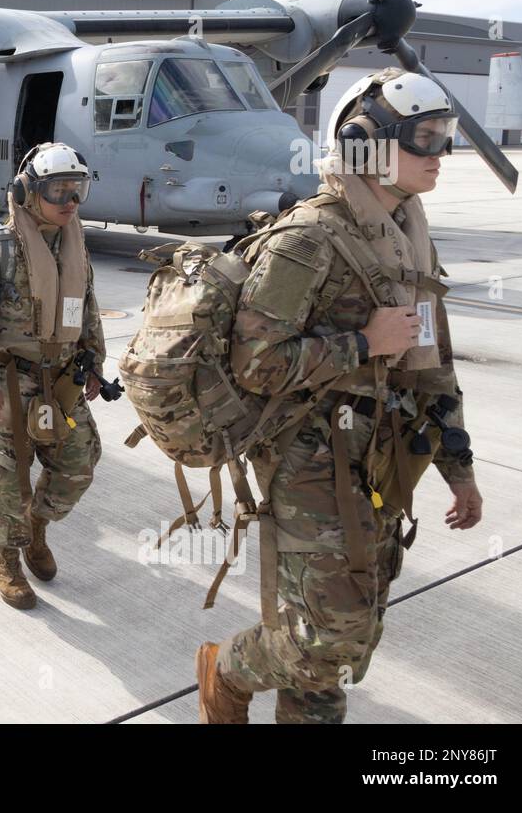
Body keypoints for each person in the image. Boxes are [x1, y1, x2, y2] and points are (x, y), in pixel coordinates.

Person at [195, 67, 484, 724]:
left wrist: (459, 470)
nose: (442, 156)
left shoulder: (408, 236)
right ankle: (229, 669)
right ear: (364, 145)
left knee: (355, 615)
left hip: (381, 454)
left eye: (446, 138)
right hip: (309, 458)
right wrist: (361, 344)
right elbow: (256, 364)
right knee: (330, 634)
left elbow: (431, 362)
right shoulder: (308, 240)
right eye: (425, 139)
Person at [0, 143, 105, 610]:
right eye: (58, 190)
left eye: (77, 190)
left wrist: (94, 360)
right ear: (28, 191)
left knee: (78, 464)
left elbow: (89, 308)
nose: (69, 201)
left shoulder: (74, 244)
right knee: (8, 477)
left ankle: (37, 527)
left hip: (62, 382)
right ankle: (6, 558)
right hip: (10, 384)